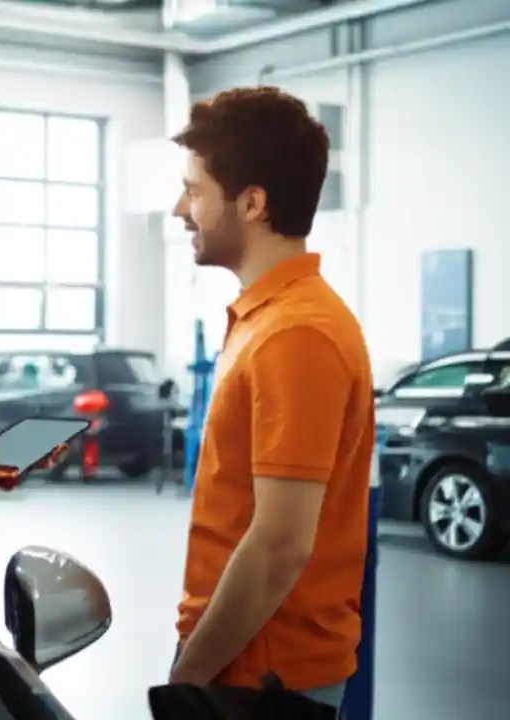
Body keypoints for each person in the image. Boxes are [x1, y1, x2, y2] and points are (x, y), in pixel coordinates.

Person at [166, 86, 376, 713]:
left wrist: (188, 677)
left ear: (251, 203)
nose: (181, 208)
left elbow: (280, 545)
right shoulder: (268, 318)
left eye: (195, 190)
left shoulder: (296, 334)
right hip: (239, 660)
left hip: (261, 676)